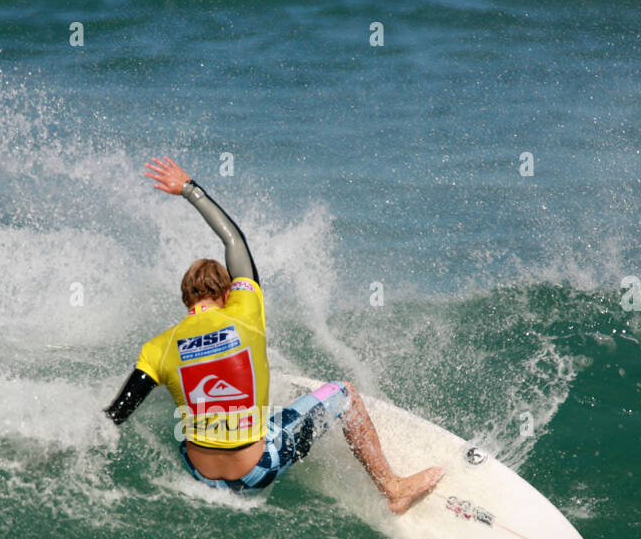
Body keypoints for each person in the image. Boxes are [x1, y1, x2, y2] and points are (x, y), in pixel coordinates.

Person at [104, 156, 443, 514]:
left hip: (201, 475)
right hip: (255, 471)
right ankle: (393, 488)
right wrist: (189, 189)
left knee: (198, 412)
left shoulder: (157, 348)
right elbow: (234, 238)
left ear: (187, 298)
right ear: (227, 294)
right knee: (344, 394)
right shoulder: (245, 311)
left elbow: (116, 415)